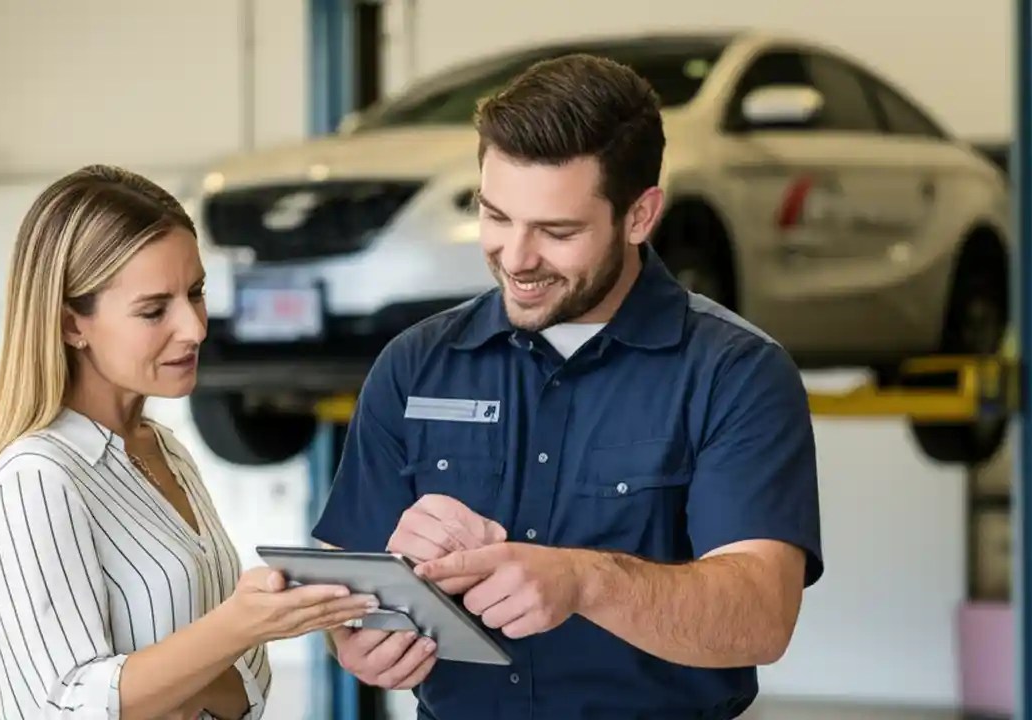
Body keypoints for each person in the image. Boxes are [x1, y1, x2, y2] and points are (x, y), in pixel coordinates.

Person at [311, 53, 823, 719]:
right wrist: (350, 636)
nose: (516, 258)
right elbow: (343, 571)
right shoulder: (415, 365)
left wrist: (583, 582)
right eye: (495, 216)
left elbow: (760, 617)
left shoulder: (736, 373)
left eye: (556, 232)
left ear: (640, 217)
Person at [0, 165, 378, 720]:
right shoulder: (36, 478)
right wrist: (234, 629)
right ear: (72, 325)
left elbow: (248, 685)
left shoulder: (164, 450)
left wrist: (223, 650)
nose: (194, 328)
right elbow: (64, 708)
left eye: (196, 293)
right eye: (154, 310)